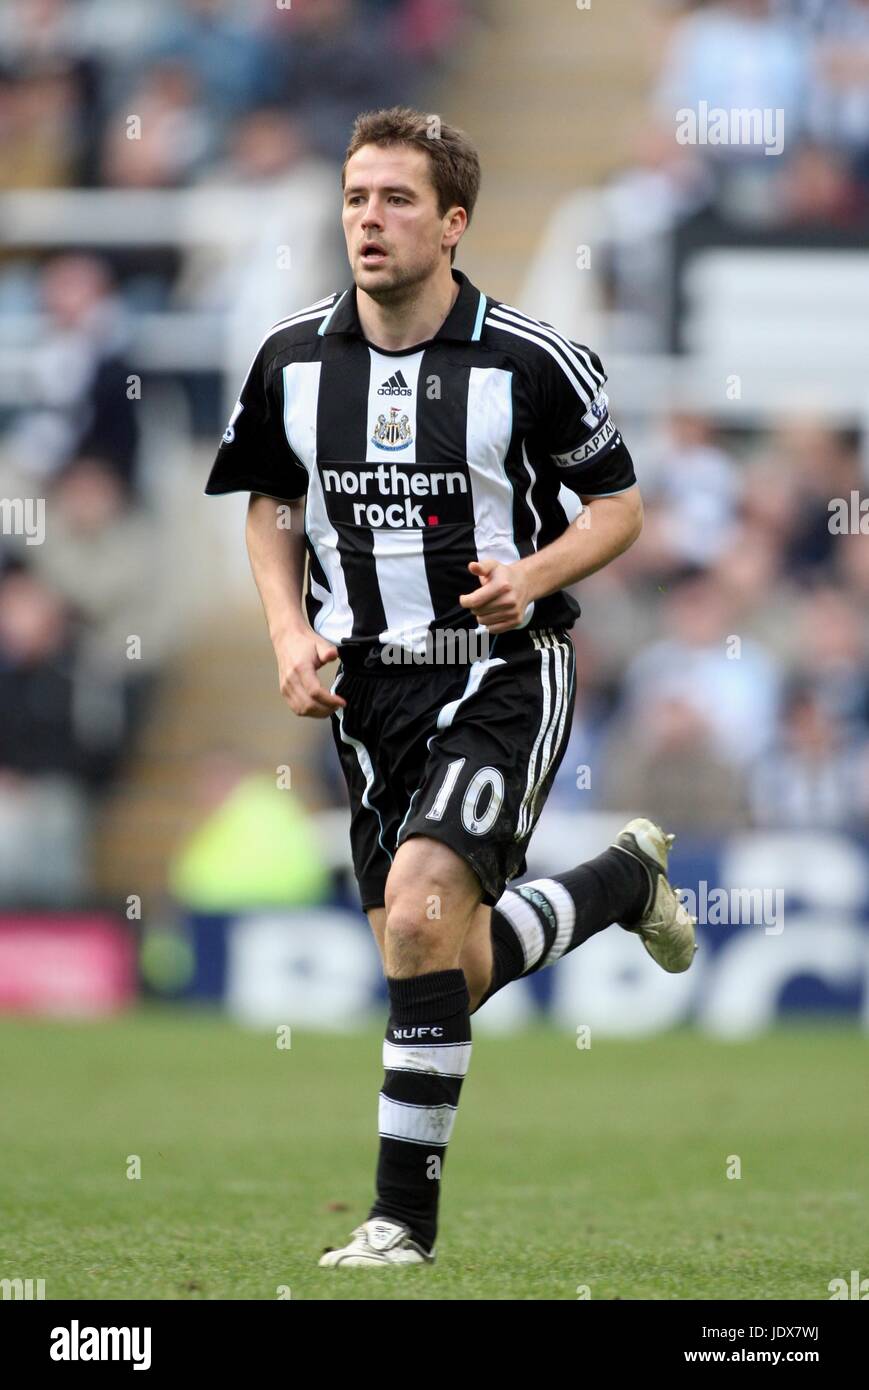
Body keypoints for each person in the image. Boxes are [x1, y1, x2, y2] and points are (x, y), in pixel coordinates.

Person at [204, 106, 697, 1269]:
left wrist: (528, 577)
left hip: (498, 672)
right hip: (363, 695)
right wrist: (287, 631)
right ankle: (619, 883)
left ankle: (398, 1225)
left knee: (423, 912)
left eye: (396, 201)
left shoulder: (528, 359)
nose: (368, 221)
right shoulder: (288, 360)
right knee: (439, 960)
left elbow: (619, 508)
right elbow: (268, 505)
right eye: (355, 198)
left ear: (453, 223)